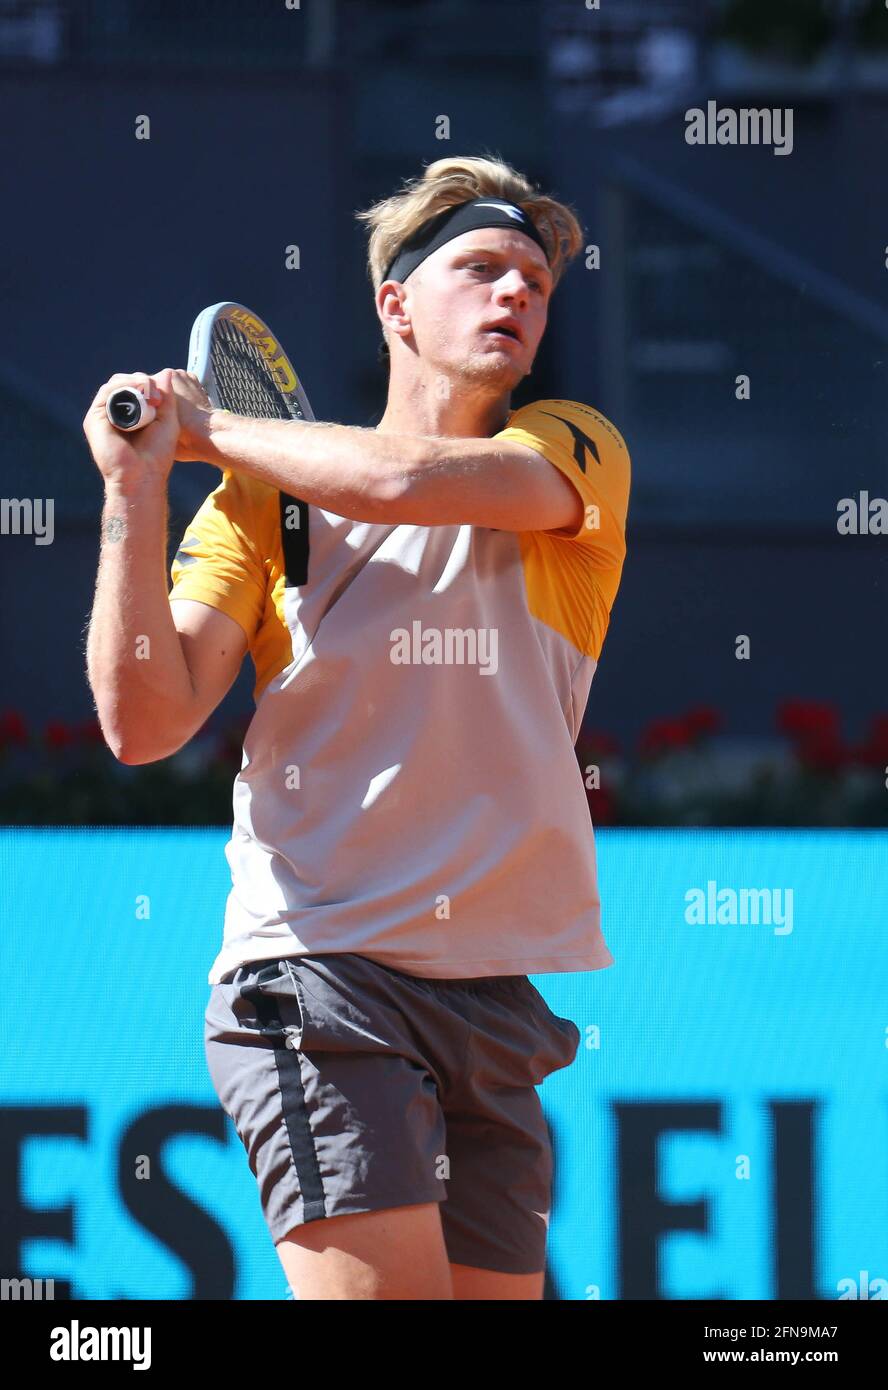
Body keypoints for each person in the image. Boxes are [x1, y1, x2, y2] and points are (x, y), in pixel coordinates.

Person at [83, 155, 631, 1301]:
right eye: (479, 268)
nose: (514, 295)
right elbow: (145, 719)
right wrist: (135, 496)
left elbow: (401, 480)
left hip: (496, 1002)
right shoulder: (257, 505)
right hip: (318, 974)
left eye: (533, 280)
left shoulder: (577, 449)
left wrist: (213, 428)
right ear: (395, 305)